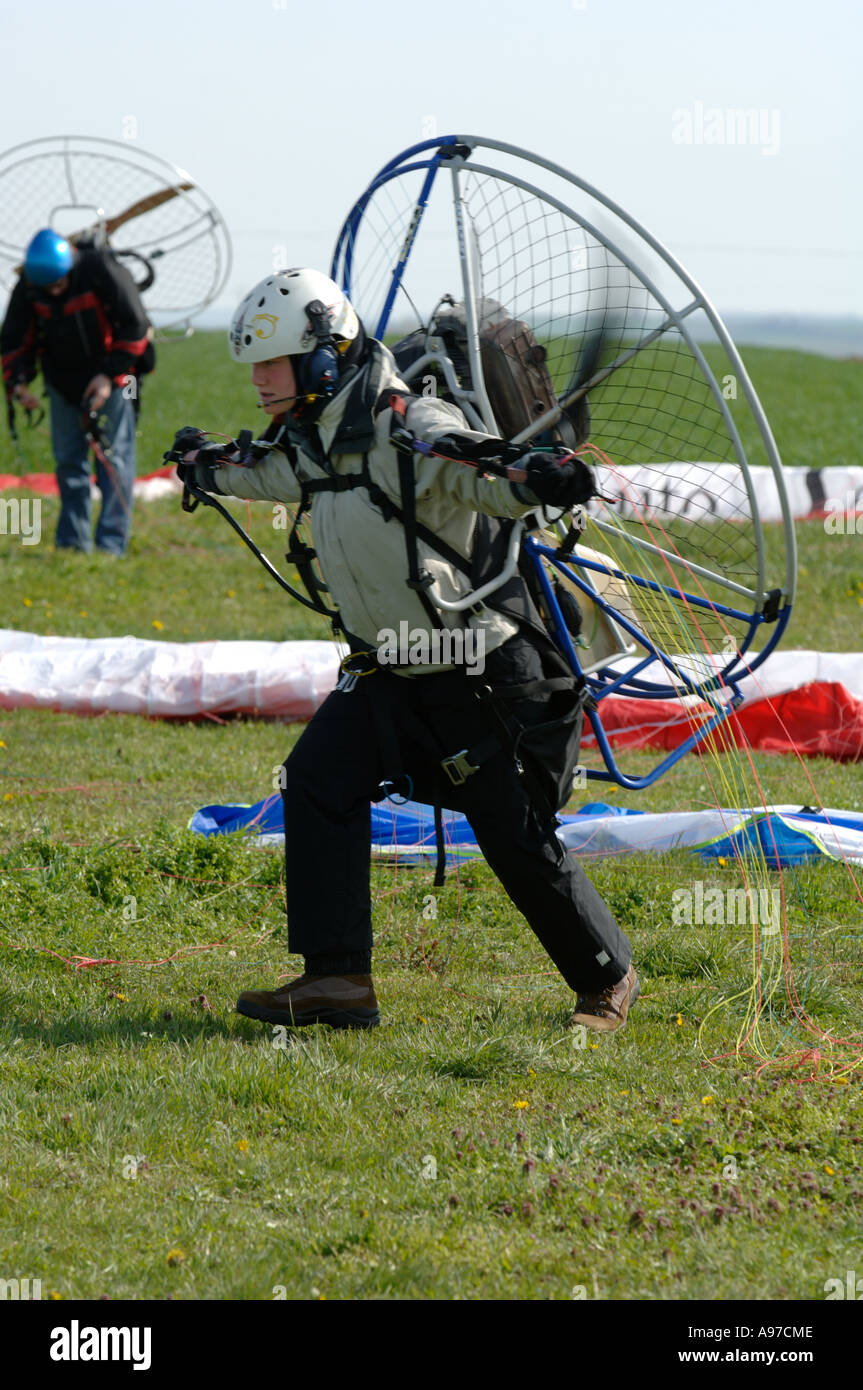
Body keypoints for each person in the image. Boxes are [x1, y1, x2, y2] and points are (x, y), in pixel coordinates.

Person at [173, 268, 638, 1035]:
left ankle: (606, 979)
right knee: (317, 779)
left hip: (476, 667)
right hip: (388, 669)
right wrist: (203, 465)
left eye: (272, 362)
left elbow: (480, 468)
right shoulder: (316, 439)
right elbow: (266, 471)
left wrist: (536, 476)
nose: (258, 381)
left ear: (323, 357)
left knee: (512, 831)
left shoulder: (408, 428)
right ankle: (336, 979)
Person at [1, 228, 153, 555]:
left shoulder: (101, 271)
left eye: (59, 284)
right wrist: (19, 384)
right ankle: (72, 545)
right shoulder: (29, 285)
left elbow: (135, 326)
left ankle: (111, 547)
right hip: (62, 383)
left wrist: (108, 378)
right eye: (48, 288)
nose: (54, 292)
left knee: (113, 462)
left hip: (112, 378)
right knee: (69, 462)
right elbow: (13, 339)